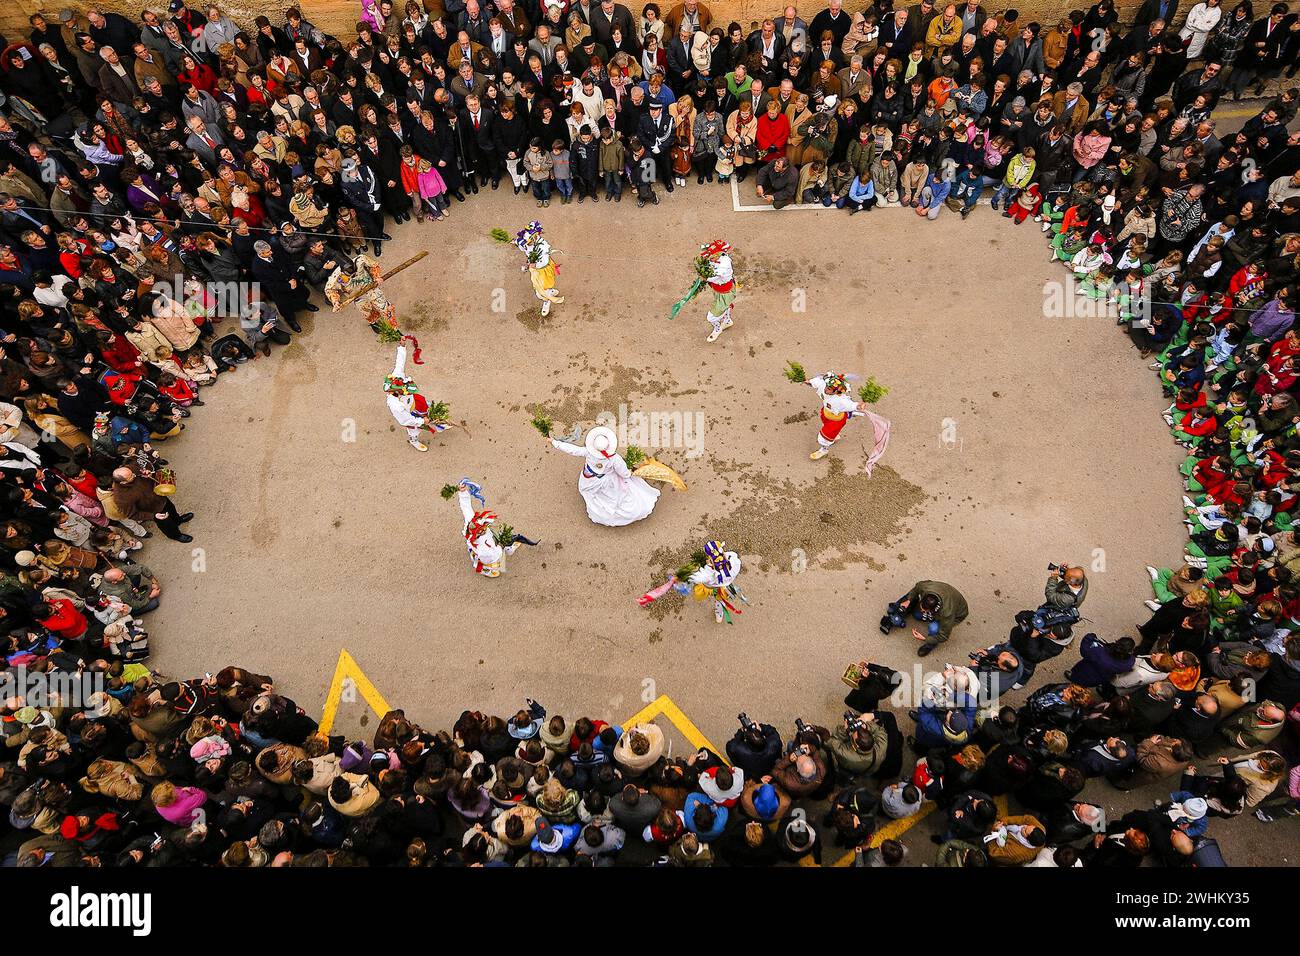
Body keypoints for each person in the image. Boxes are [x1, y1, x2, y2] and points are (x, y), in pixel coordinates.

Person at [546, 425, 660, 527]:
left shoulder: (588, 452)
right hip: (607, 480)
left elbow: (573, 450)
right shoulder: (614, 458)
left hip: (589, 479)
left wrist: (555, 442)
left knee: (593, 494)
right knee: (616, 496)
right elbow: (624, 473)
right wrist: (630, 472)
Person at [881, 580, 970, 656]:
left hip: (957, 613)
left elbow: (943, 636)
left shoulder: (947, 613)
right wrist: (908, 600)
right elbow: (916, 589)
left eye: (925, 611)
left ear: (933, 611)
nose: (922, 610)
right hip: (944, 593)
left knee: (933, 627)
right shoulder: (926, 587)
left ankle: (930, 645)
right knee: (917, 614)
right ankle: (902, 611)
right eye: (921, 608)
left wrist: (925, 638)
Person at [514, 220, 565, 316]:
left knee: (540, 291)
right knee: (540, 288)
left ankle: (547, 300)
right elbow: (519, 243)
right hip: (535, 270)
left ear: (534, 238)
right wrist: (513, 242)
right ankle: (549, 292)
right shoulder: (525, 242)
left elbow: (544, 262)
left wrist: (533, 266)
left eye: (529, 242)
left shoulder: (543, 247)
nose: (527, 244)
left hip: (543, 270)